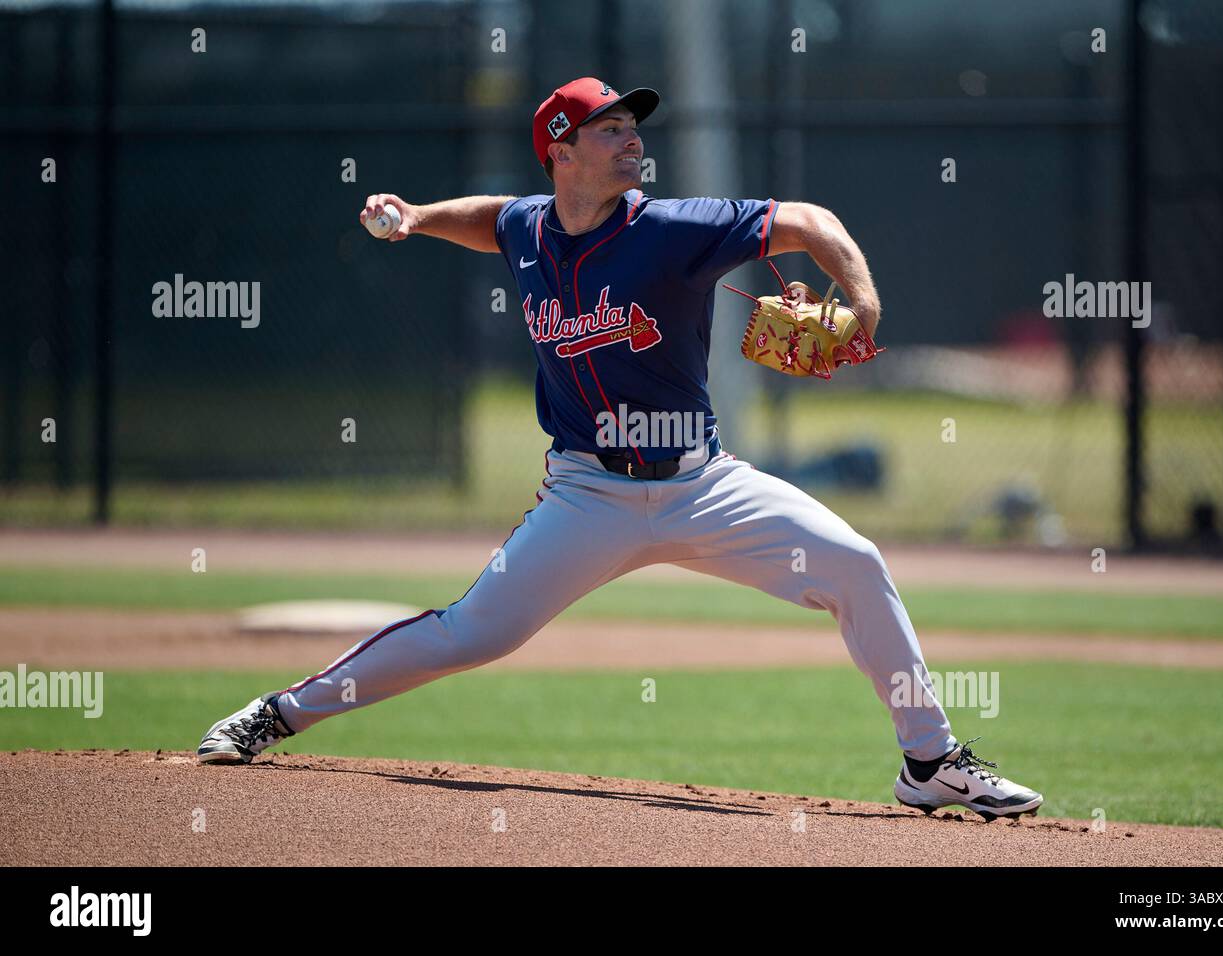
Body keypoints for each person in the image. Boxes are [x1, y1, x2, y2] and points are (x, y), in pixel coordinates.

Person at [197, 77, 1043, 821]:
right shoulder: (529, 228)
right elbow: (489, 218)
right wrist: (416, 218)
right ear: (560, 151)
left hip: (703, 485)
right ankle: (279, 714)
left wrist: (860, 305)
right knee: (470, 633)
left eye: (634, 125)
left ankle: (930, 763)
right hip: (586, 497)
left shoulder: (675, 228)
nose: (634, 136)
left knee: (856, 563)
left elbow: (813, 222)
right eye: (611, 127)